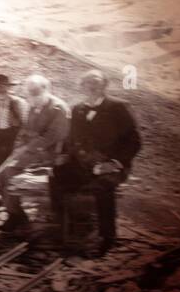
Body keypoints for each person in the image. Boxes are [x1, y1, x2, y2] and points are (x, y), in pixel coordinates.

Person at [50, 70, 142, 255]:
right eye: (87, 83)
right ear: (82, 86)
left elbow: (134, 142)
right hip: (84, 165)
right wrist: (65, 155)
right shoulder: (77, 109)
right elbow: (71, 139)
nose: (92, 86)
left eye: (96, 82)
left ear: (104, 85)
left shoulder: (119, 107)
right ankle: (59, 227)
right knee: (56, 176)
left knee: (103, 187)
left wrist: (115, 163)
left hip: (111, 165)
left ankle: (107, 237)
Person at [0, 74, 70, 233]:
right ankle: (16, 214)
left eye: (35, 91)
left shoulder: (58, 108)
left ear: (45, 89)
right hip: (30, 152)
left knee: (9, 173)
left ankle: (16, 217)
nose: (33, 95)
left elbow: (52, 136)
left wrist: (27, 148)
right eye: (30, 92)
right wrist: (17, 148)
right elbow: (24, 130)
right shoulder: (33, 107)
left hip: (49, 155)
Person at [0, 73, 28, 167]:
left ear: (8, 87)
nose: (0, 89)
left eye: (3, 86)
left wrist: (19, 142)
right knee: (0, 166)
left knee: (11, 167)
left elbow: (24, 123)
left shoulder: (17, 102)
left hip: (12, 139)